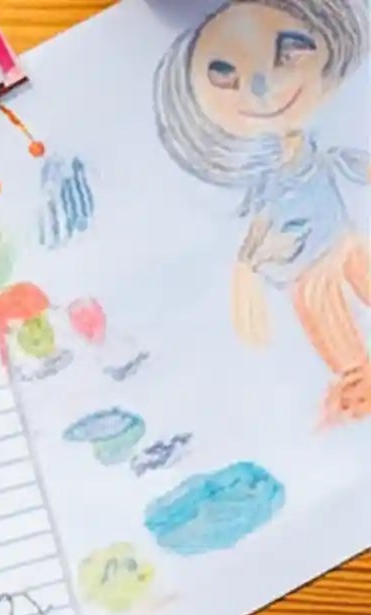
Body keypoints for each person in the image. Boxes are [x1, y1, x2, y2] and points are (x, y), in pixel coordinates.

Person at [152, 0, 370, 423]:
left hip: (347, 241)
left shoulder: (316, 147)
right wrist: (248, 272)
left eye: (289, 51)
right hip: (309, 268)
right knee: (336, 331)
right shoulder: (269, 179)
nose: (261, 86)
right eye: (224, 76)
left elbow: (340, 163)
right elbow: (259, 228)